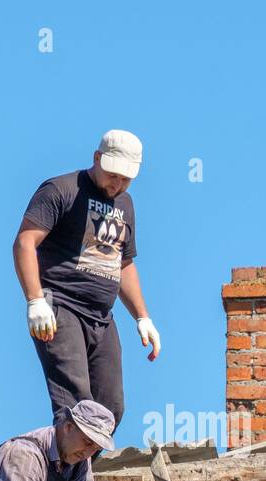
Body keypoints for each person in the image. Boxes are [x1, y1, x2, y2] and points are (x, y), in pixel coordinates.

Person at [13, 129, 161, 435]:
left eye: (126, 179)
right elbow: (25, 242)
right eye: (113, 175)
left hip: (101, 319)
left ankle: (70, 474)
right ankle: (63, 478)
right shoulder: (61, 190)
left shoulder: (126, 205)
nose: (118, 184)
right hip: (61, 309)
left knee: (110, 409)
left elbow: (124, 263)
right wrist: (35, 300)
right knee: (76, 404)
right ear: (97, 158)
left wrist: (143, 317)